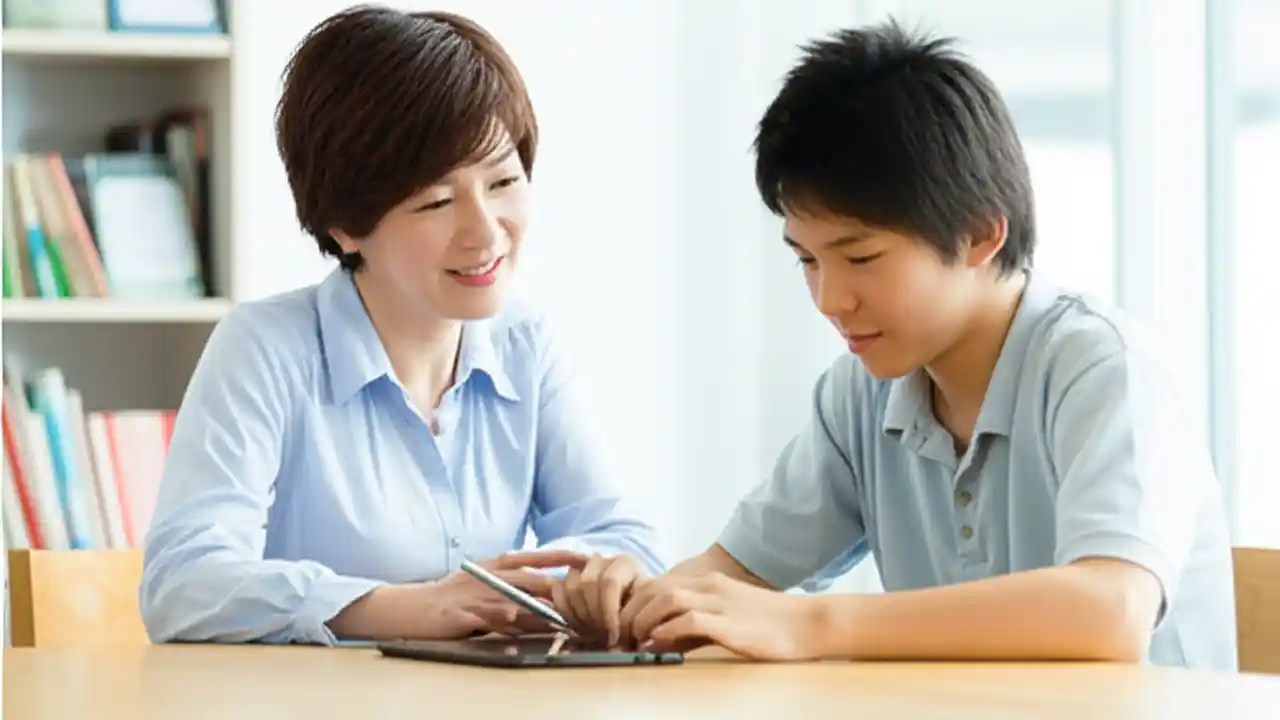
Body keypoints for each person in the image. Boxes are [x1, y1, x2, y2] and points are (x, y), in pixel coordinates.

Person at [550, 21, 1237, 670]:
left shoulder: (1102, 368)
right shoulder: (862, 392)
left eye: (861, 258)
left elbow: (1110, 613)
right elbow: (733, 577)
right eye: (807, 261)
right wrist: (635, 602)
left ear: (978, 235)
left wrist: (810, 624)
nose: (829, 299)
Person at [140, 6, 666, 645]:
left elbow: (626, 538)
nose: (485, 232)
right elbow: (183, 584)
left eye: (503, 181)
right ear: (346, 225)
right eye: (437, 202)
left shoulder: (527, 344)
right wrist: (406, 609)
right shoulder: (266, 347)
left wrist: (581, 582)